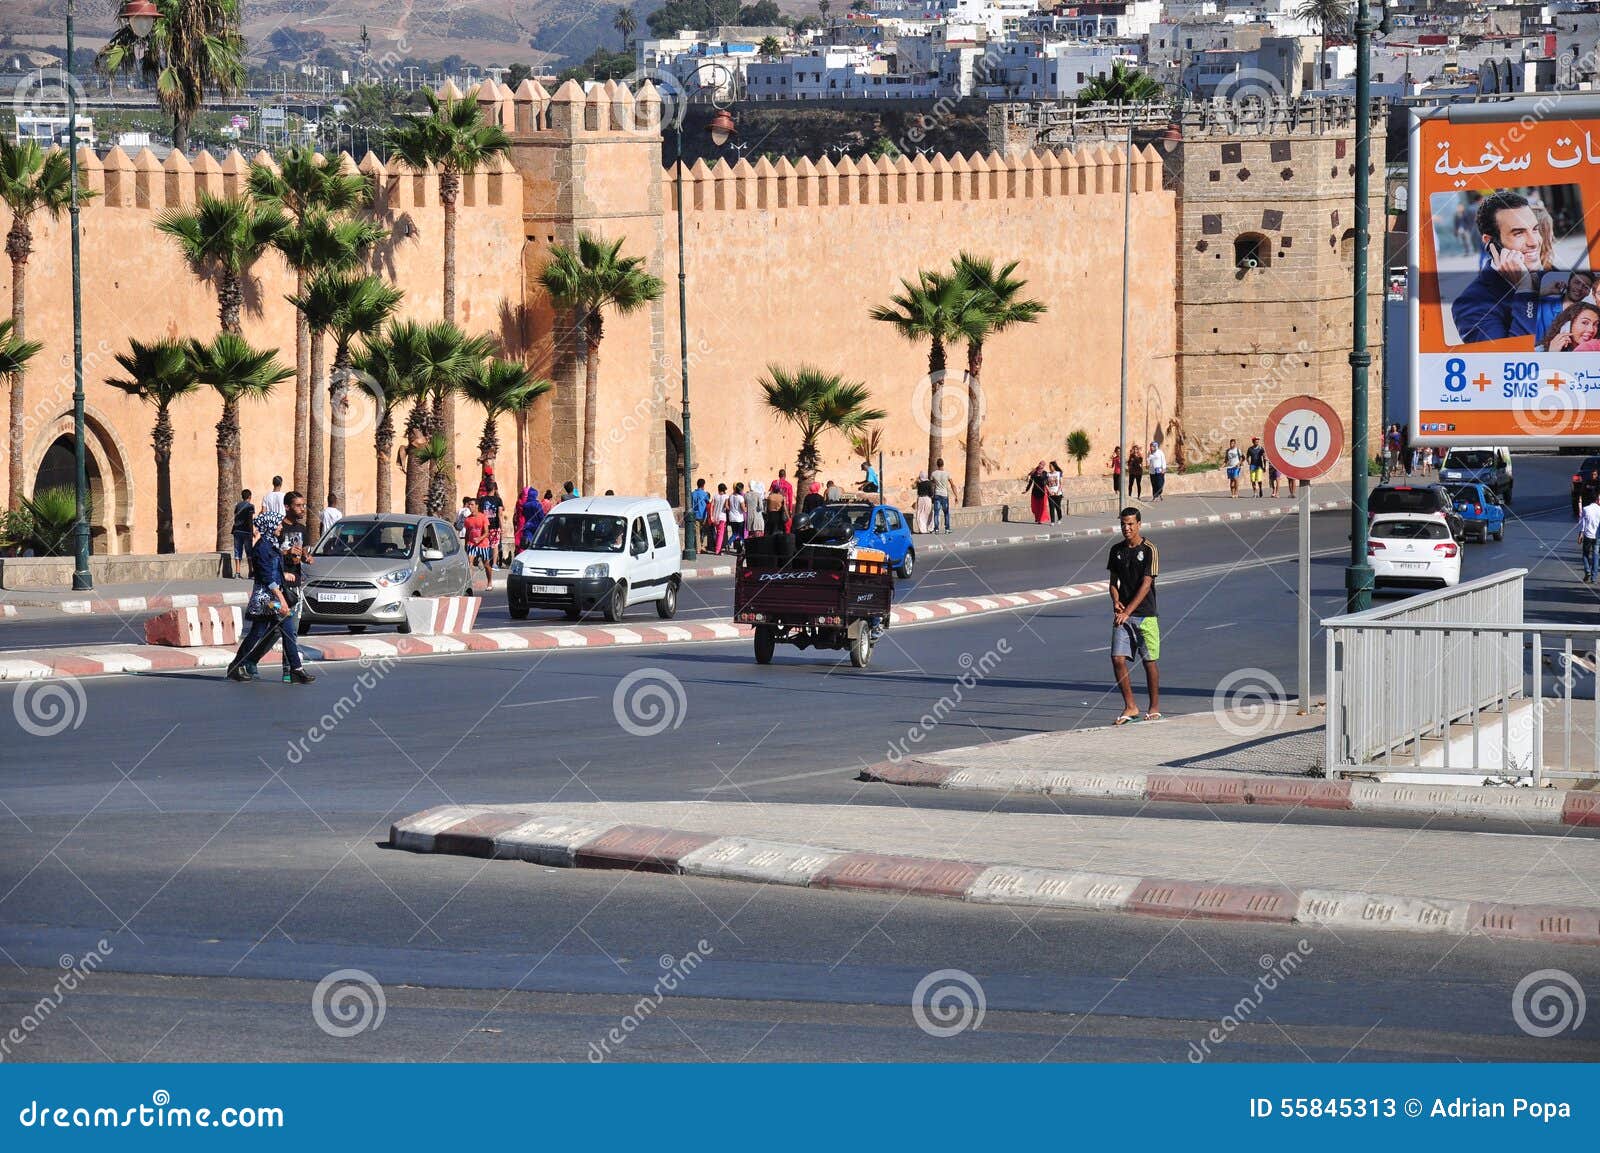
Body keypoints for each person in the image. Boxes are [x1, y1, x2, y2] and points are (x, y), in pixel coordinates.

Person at [226, 511, 314, 684]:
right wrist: (282, 599)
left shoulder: (273, 545)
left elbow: (275, 571)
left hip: (273, 597)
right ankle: (237, 665)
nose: (281, 527)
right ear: (270, 526)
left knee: (283, 631)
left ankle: (295, 669)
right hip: (266, 599)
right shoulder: (262, 548)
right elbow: (266, 577)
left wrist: (285, 575)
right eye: (278, 524)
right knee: (260, 632)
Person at [1450, 191, 1544, 344]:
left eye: (1535, 229)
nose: (1534, 242)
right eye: (1518, 233)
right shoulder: (1471, 304)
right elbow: (1508, 356)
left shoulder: (1551, 276)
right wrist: (1525, 291)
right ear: (1491, 242)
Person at [1108, 506, 1160, 724]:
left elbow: (1147, 584)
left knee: (1149, 661)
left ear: (1139, 524)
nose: (1126, 528)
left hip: (1145, 614)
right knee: (1117, 658)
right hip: (1123, 616)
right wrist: (1116, 601)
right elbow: (1113, 583)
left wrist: (1129, 611)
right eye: (1123, 524)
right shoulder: (1116, 550)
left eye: (1130, 524)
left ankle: (1154, 707)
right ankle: (1130, 706)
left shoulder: (1150, 549)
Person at [463, 497, 493, 589]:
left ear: (477, 506)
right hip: (471, 544)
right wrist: (466, 545)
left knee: (486, 565)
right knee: (469, 562)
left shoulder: (483, 517)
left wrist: (480, 538)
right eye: (469, 505)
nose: (470, 506)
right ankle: (470, 583)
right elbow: (467, 533)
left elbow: (487, 532)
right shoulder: (467, 519)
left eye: (472, 505)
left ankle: (489, 582)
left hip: (483, 544)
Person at [479, 480, 505, 564]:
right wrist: (502, 527)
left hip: (484, 526)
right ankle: (494, 564)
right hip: (495, 525)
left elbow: (480, 513)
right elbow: (500, 514)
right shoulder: (498, 500)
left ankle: (485, 562)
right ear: (494, 489)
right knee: (495, 545)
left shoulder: (482, 499)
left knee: (485, 544)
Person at [231, 489, 254, 578]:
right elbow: (250, 520)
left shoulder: (237, 505)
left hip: (237, 531)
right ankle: (250, 572)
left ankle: (237, 572)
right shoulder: (250, 506)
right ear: (250, 497)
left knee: (237, 551)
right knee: (249, 552)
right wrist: (252, 531)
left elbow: (236, 517)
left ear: (242, 496)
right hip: (246, 531)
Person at [930, 458, 956, 532]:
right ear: (943, 464)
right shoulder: (947, 474)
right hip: (944, 495)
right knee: (946, 512)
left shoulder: (933, 474)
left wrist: (931, 494)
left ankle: (936, 529)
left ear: (937, 464)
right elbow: (952, 484)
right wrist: (956, 495)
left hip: (937, 494)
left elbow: (932, 484)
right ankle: (947, 528)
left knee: (936, 512)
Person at [516, 485, 545, 549]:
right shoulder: (537, 505)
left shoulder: (525, 505)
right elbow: (541, 516)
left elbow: (523, 514)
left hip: (528, 526)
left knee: (528, 545)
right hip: (537, 526)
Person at [1581, 492, 1600, 582]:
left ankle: (1587, 570)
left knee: (1585, 554)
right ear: (1596, 500)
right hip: (1597, 536)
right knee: (1596, 555)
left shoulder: (1585, 509)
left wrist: (1581, 534)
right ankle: (1594, 578)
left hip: (1587, 535)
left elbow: (1583, 523)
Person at [690, 478, 711, 552]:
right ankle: (703, 546)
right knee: (704, 531)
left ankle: (698, 549)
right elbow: (708, 501)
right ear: (703, 485)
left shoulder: (693, 493)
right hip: (703, 515)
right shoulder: (704, 494)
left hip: (695, 515)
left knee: (697, 532)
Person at [711, 482, 730, 554]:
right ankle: (718, 550)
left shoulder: (715, 496)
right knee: (720, 534)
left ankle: (717, 547)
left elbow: (712, 506)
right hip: (722, 516)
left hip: (715, 516)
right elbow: (726, 506)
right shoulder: (726, 496)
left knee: (717, 533)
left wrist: (712, 516)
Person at [728, 482, 747, 553]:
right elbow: (743, 509)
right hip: (739, 518)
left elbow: (729, 506)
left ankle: (729, 543)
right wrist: (747, 508)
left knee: (734, 533)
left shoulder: (731, 496)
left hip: (732, 517)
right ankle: (743, 547)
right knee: (741, 534)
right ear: (741, 489)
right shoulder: (740, 498)